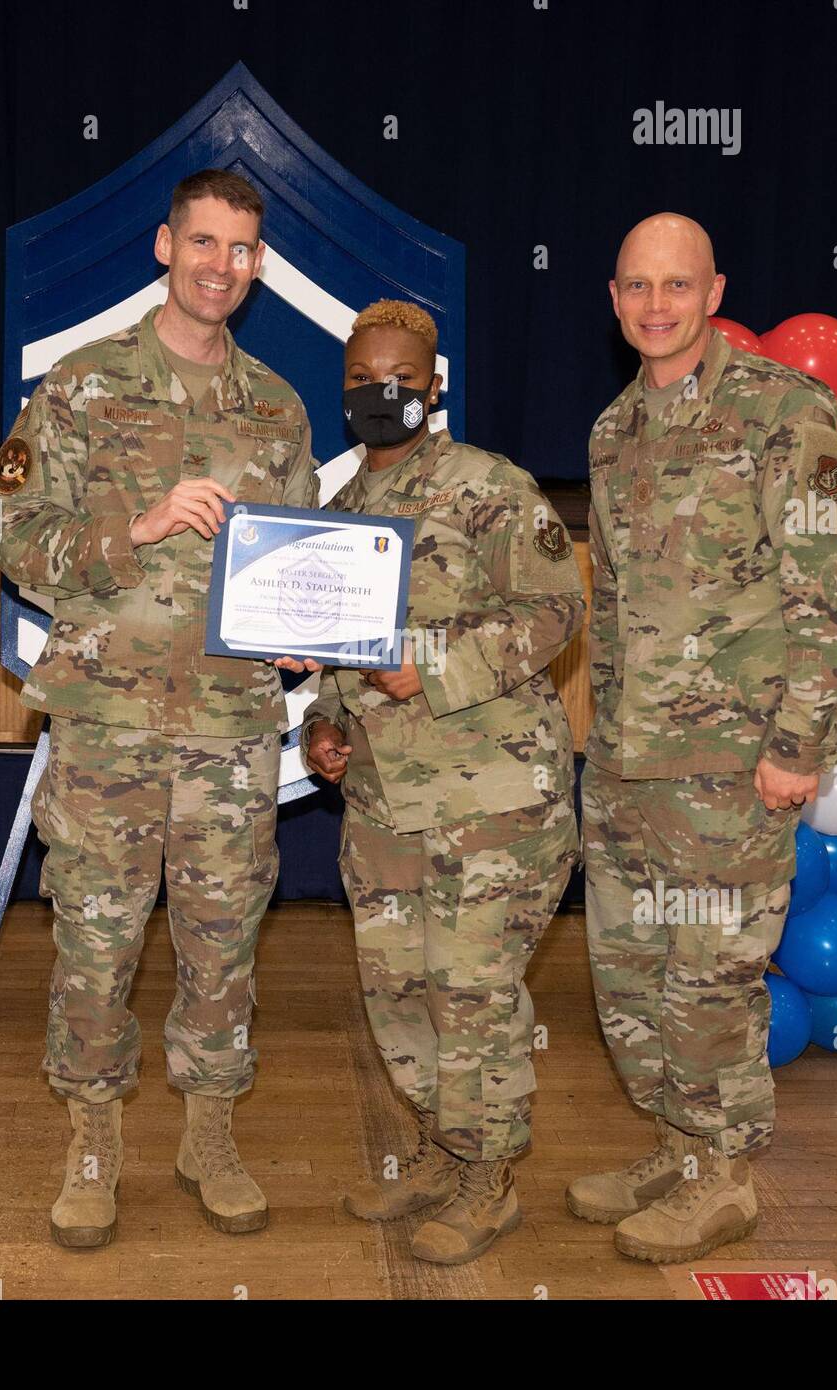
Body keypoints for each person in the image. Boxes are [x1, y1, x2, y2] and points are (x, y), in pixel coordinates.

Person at [0, 168, 317, 1247]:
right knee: (96, 941)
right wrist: (135, 522)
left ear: (257, 264)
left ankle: (209, 1133)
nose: (221, 266)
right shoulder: (80, 389)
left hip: (229, 734)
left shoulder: (277, 408)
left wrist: (300, 639)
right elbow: (15, 542)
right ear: (164, 248)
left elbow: (303, 566)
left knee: (224, 943)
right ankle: (91, 1140)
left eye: (241, 250)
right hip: (108, 731)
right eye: (203, 243)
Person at [567, 213, 837, 1263]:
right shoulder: (614, 431)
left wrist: (799, 743)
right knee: (630, 976)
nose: (657, 305)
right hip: (628, 764)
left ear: (713, 290)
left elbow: (835, 589)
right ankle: (674, 1144)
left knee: (707, 979)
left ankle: (723, 1176)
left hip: (732, 767)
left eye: (678, 285)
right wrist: (600, 745)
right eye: (638, 287)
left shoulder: (785, 410)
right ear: (614, 300)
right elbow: (610, 608)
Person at [301, 299, 584, 1264]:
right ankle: (443, 1144)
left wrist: (433, 661)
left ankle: (490, 1177)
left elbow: (556, 609)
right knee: (397, 989)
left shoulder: (487, 489)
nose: (381, 398)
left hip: (491, 799)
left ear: (435, 385)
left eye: (401, 384)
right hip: (383, 801)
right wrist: (328, 729)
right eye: (362, 384)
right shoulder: (337, 517)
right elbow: (338, 656)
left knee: (472, 992)